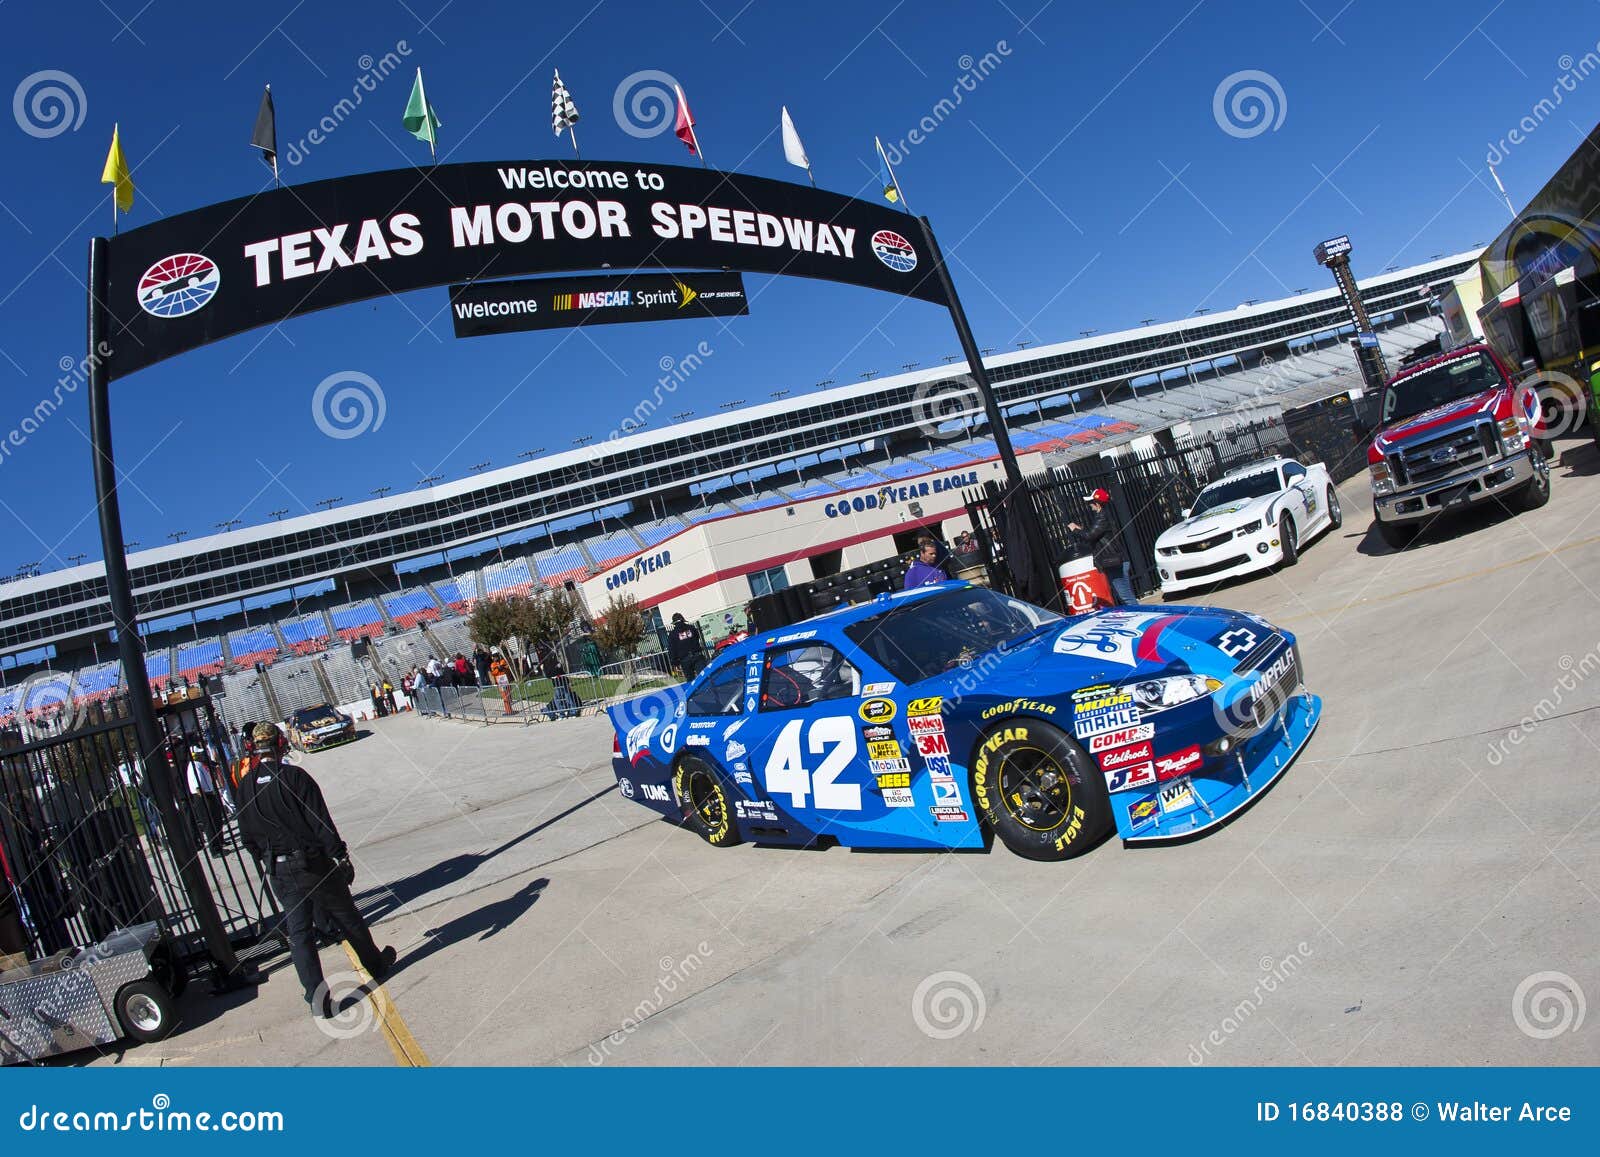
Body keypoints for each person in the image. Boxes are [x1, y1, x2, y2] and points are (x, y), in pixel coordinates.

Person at [234, 722, 397, 1018]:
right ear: (280, 744)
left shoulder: (245, 787)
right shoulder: (294, 777)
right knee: (346, 917)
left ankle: (316, 997)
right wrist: (339, 855)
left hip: (279, 869)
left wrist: (267, 857)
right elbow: (320, 822)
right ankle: (375, 965)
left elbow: (247, 838)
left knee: (299, 934)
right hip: (312, 865)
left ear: (253, 748)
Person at [1069, 487, 1139, 605]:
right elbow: (1094, 533)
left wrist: (1075, 530)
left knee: (1126, 597)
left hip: (1114, 561)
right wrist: (1081, 529)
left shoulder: (1102, 517)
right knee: (1124, 595)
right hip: (1113, 561)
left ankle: (1139, 614)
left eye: (1091, 502)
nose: (1090, 505)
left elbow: (1089, 536)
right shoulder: (1103, 516)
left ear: (1097, 504)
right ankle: (1137, 613)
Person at [666, 613, 707, 682]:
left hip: (684, 659)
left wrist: (674, 662)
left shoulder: (672, 634)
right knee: (703, 677)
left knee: (690, 680)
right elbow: (697, 638)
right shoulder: (691, 628)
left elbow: (672, 649)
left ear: (674, 623)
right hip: (697, 655)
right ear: (683, 620)